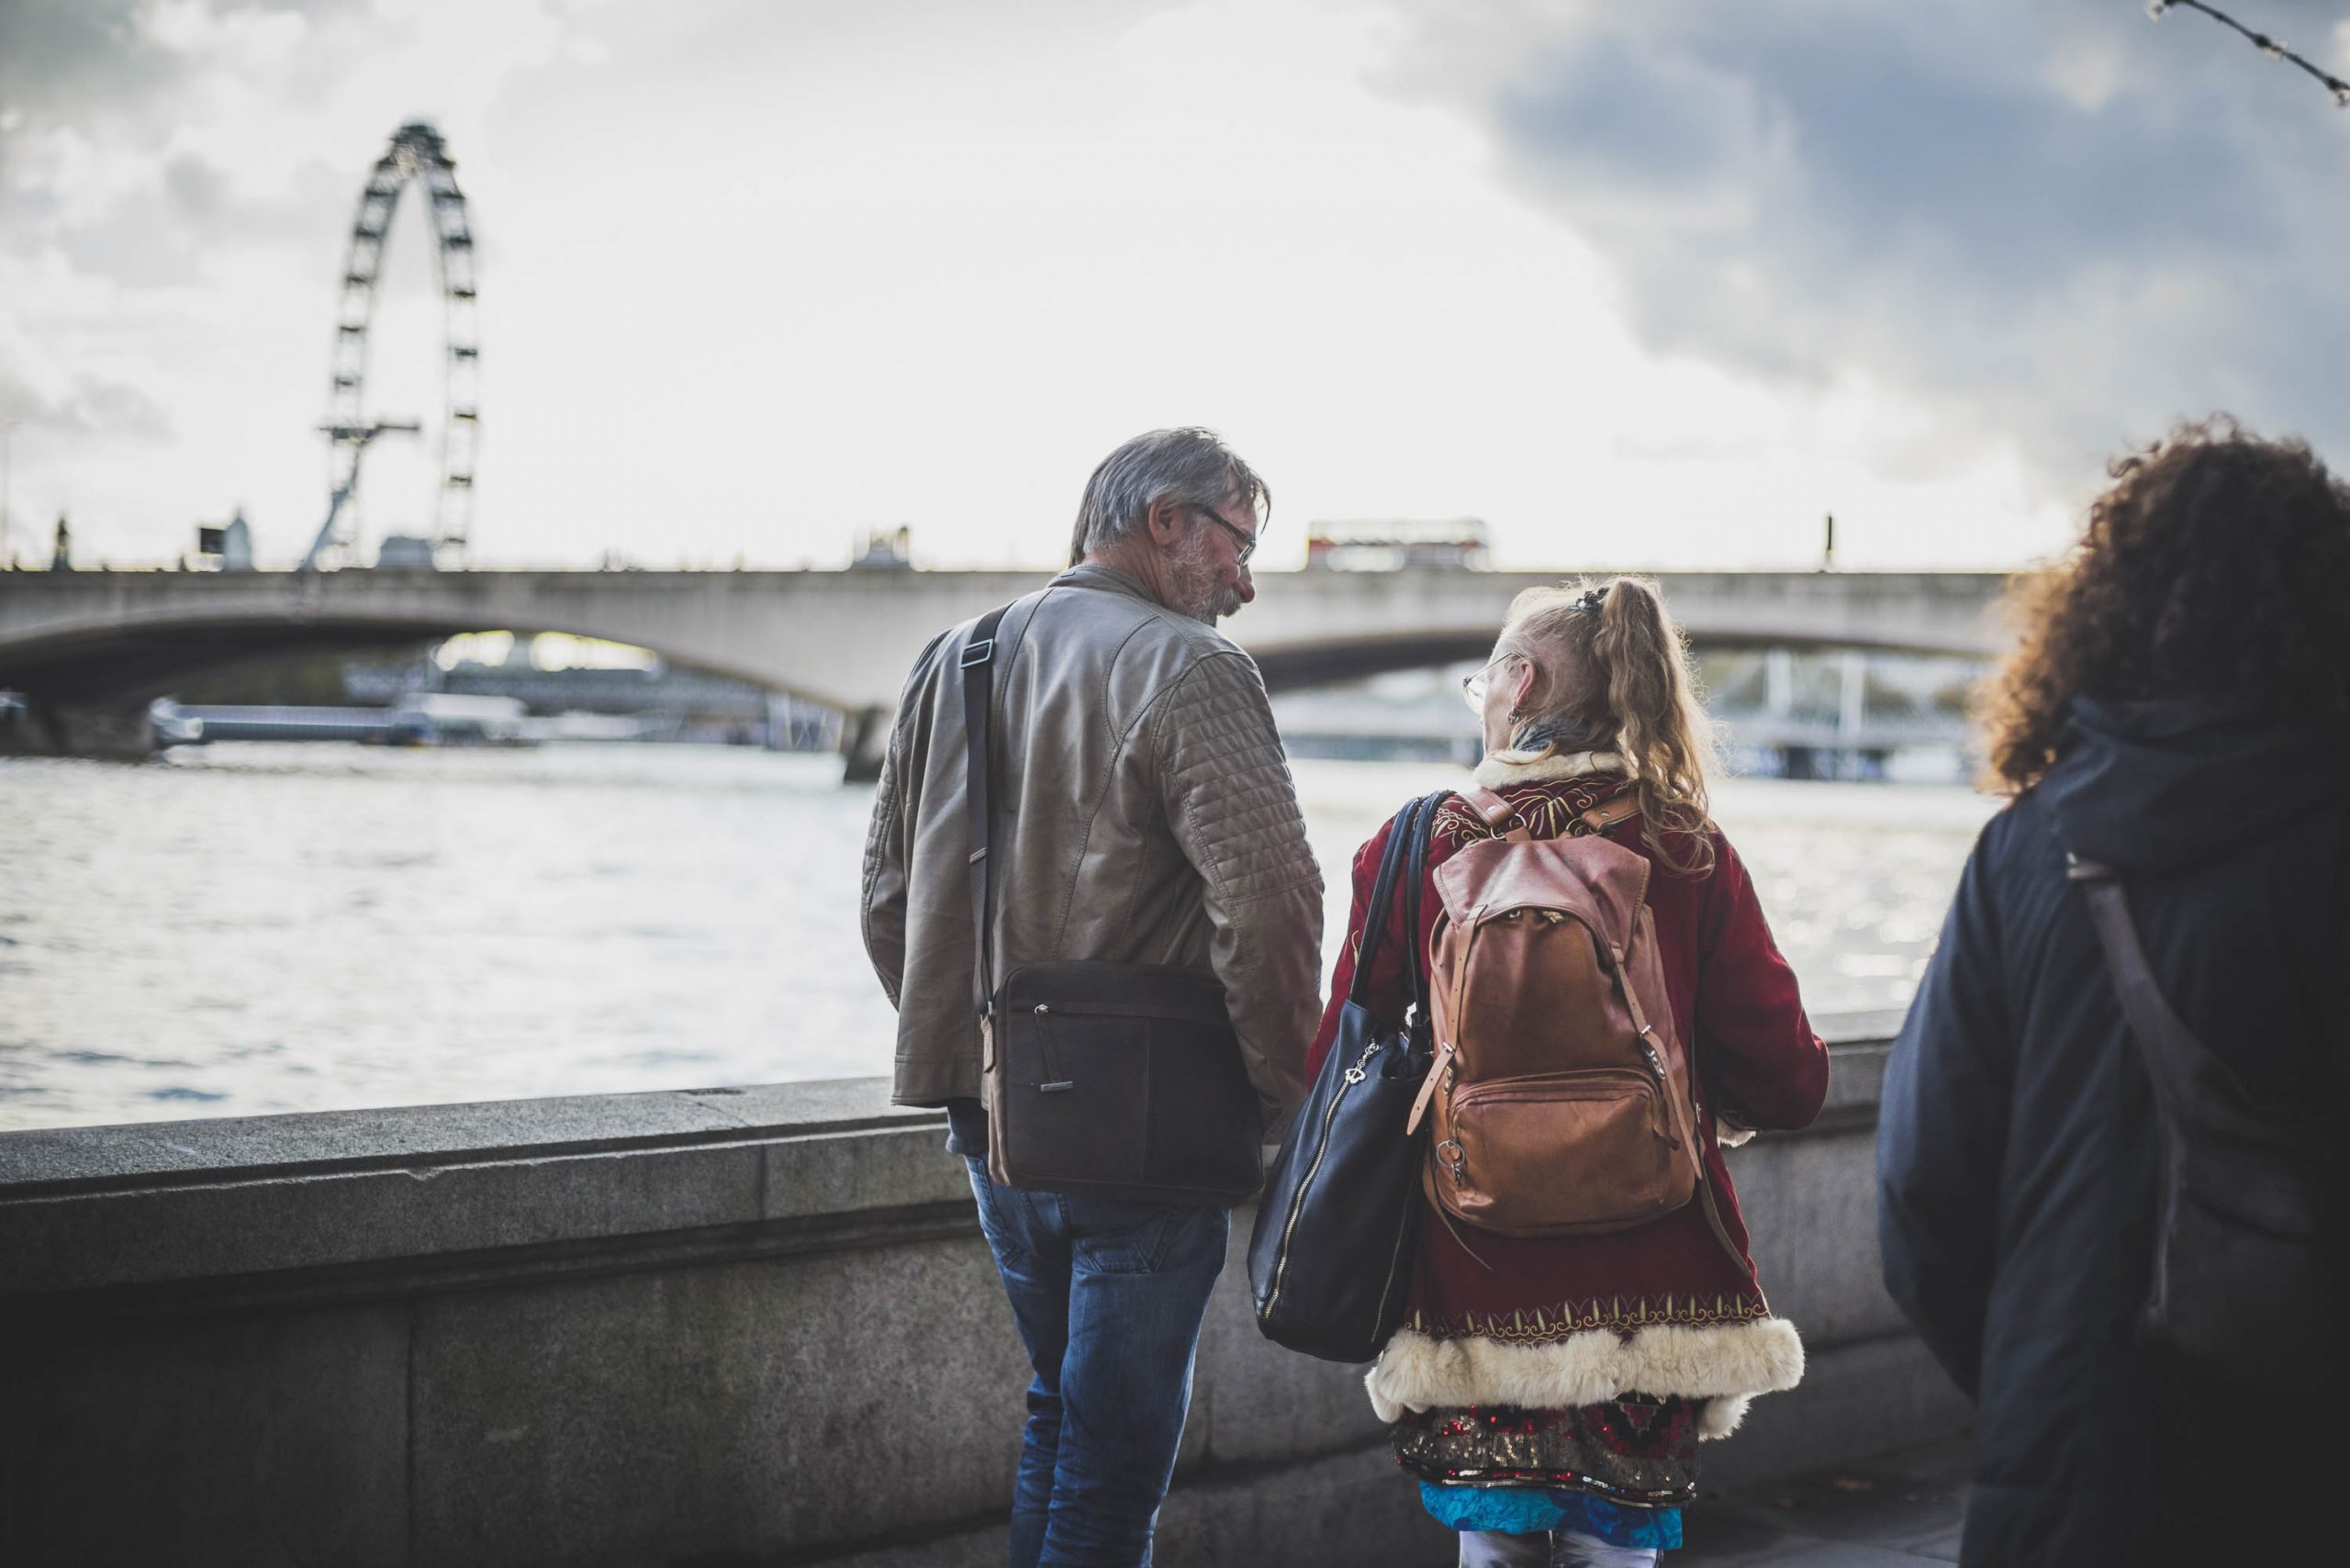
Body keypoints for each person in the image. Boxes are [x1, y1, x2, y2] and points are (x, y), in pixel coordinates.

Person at [1877, 420, 2348, 1566]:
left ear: (2106, 615)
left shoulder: (2025, 847)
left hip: (2061, 1467)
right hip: (2301, 1467)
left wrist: (2036, 1383)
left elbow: (1921, 1185)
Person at [860, 427, 1323, 1567]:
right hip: (1144, 1138)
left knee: (1058, 1416)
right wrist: (1286, 1102)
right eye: (1237, 543)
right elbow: (1268, 910)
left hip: (998, 1133)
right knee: (1113, 1477)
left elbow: (885, 899)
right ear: (1164, 522)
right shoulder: (1194, 668)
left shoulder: (954, 657)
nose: (1245, 582)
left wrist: (986, 1055)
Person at [1312, 577, 1830, 1568]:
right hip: (1655, 1275)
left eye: (1485, 683)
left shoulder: (1417, 842)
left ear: (1520, 682)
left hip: (1471, 1271)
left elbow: (1336, 1059)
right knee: (1614, 1550)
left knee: (1496, 1553)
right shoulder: (1681, 843)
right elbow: (1790, 1079)